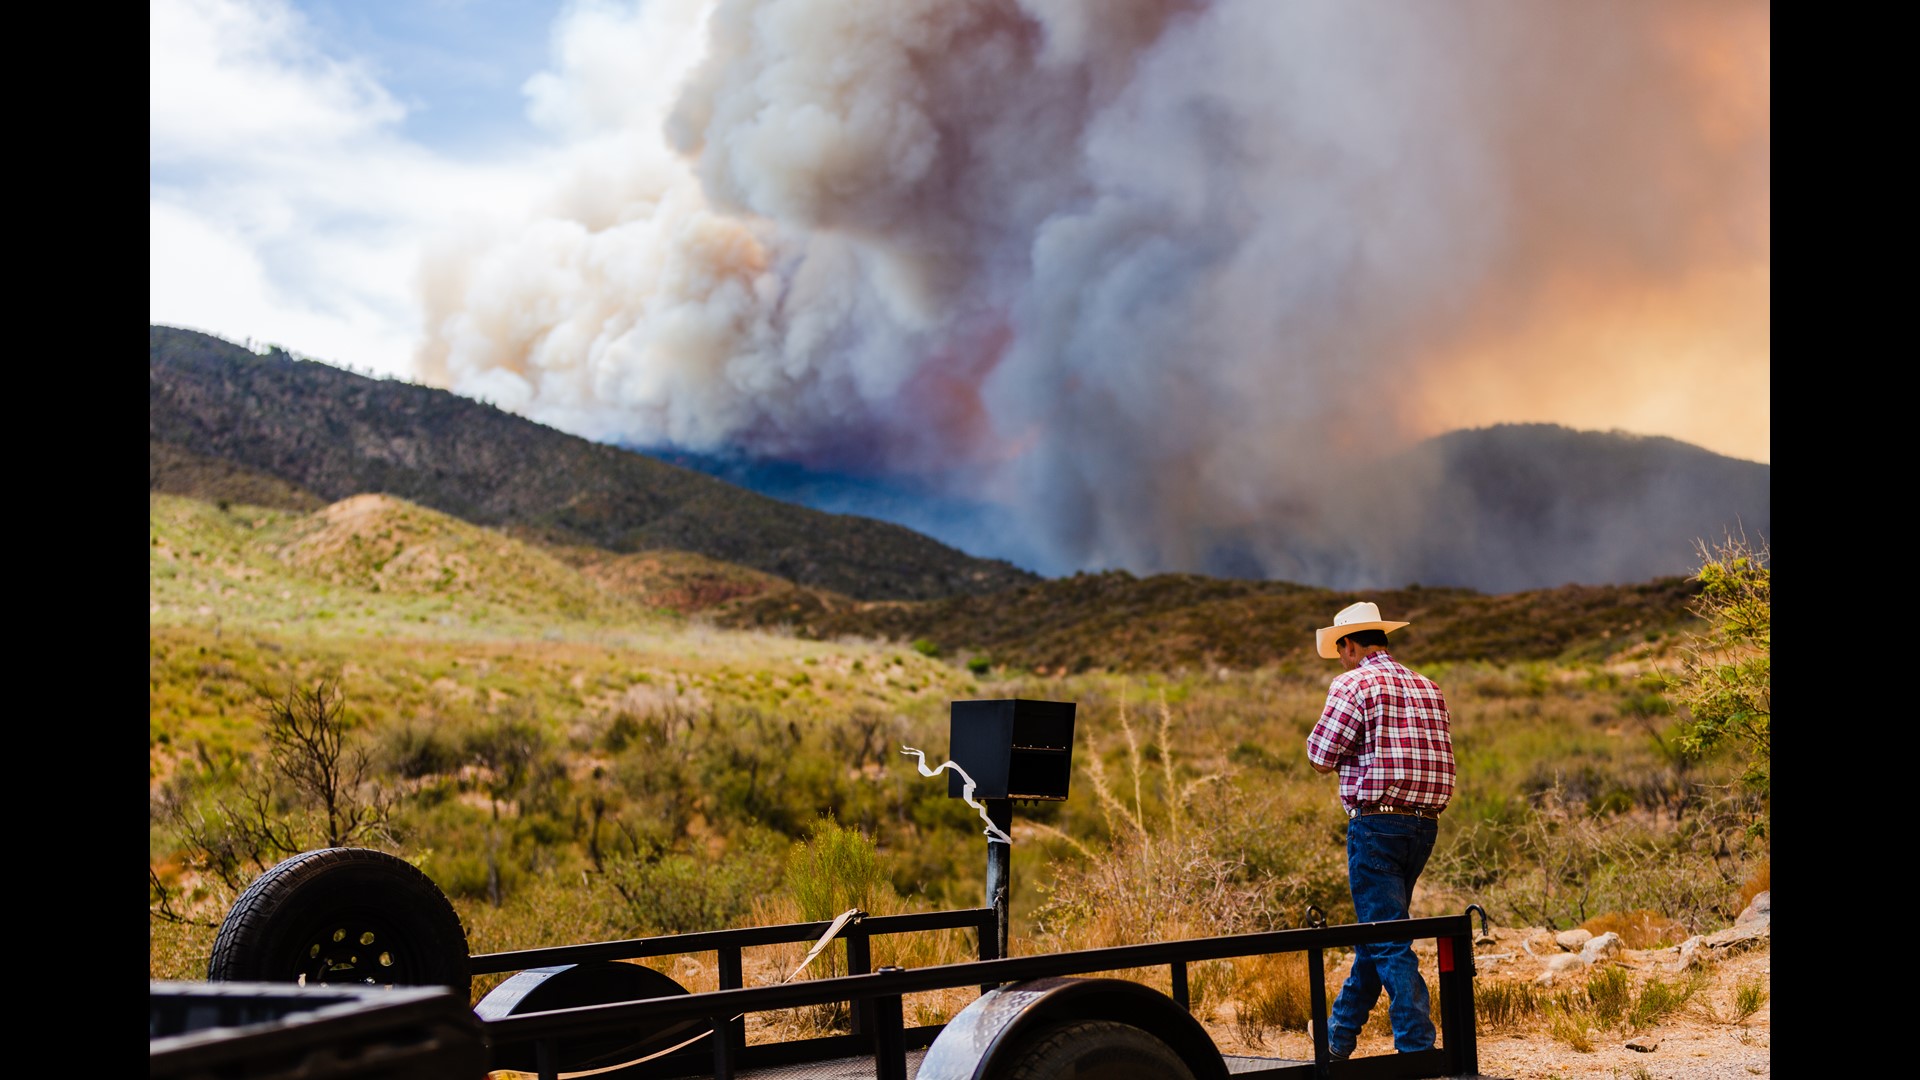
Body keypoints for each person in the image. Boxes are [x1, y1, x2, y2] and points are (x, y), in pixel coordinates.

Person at [1304, 600, 1456, 1061]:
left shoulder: (1353, 683)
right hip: (1424, 825)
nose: (1340, 656)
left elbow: (1320, 756)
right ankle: (1337, 1038)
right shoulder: (1428, 686)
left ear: (1350, 645)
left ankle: (1417, 1048)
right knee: (1380, 932)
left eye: (1340, 648)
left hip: (1375, 823)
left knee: (1387, 939)